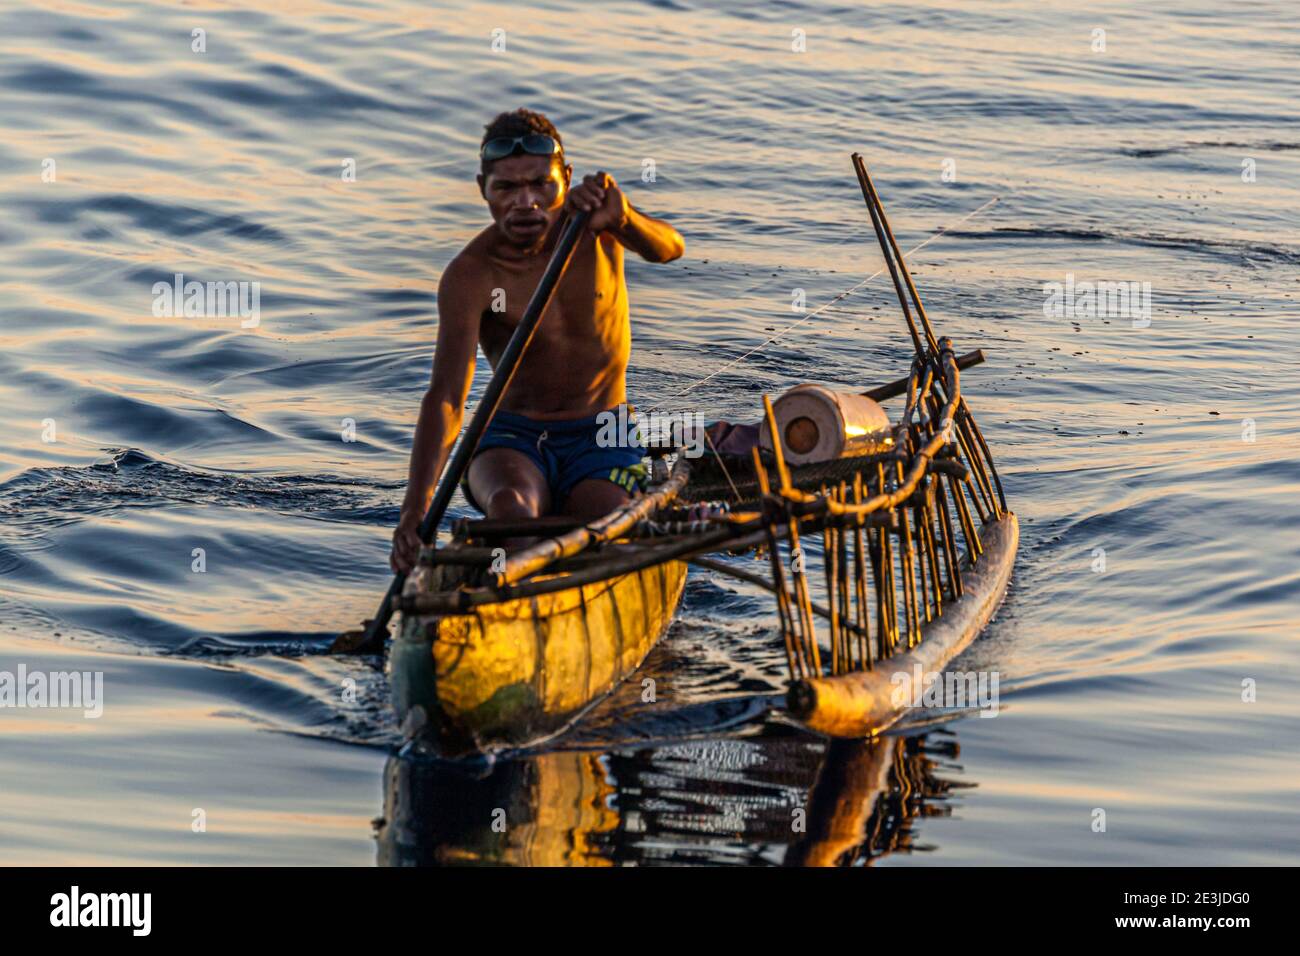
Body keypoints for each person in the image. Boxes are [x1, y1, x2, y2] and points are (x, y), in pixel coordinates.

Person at [389, 108, 685, 573]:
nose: (525, 203)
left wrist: (624, 218)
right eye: (506, 188)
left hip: (603, 430)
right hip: (512, 437)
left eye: (540, 185)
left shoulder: (599, 227)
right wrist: (415, 509)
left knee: (600, 521)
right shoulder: (470, 275)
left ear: (565, 179)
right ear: (483, 190)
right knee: (511, 512)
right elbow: (447, 399)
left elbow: (670, 248)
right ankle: (502, 601)